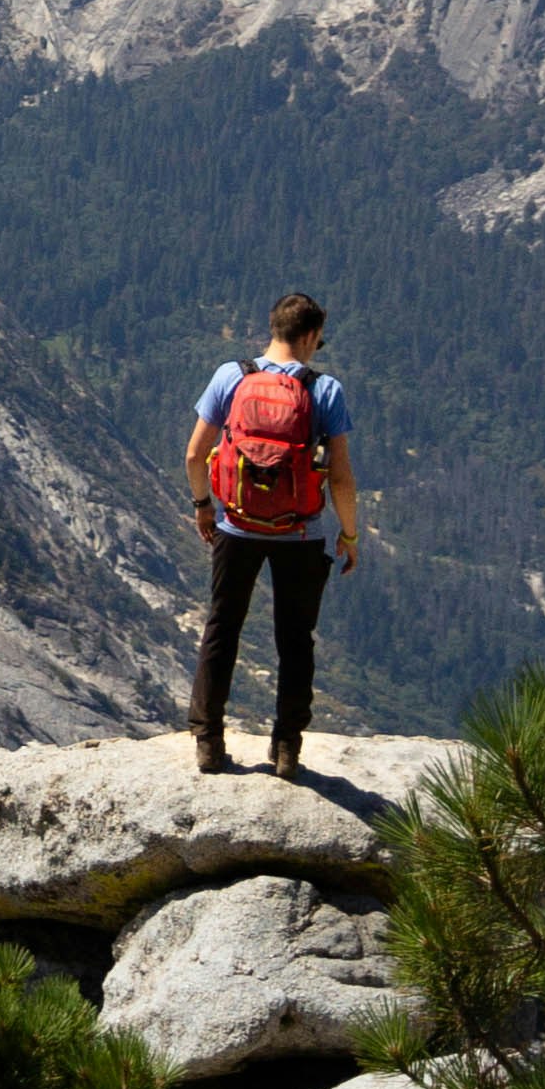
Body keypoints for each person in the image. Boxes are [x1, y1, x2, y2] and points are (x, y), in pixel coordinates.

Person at [184, 289, 357, 776]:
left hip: (235, 525)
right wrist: (350, 534)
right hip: (300, 535)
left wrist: (203, 505)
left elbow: (195, 455)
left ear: (273, 329)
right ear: (309, 337)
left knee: (222, 628)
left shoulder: (231, 376)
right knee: (295, 639)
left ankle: (208, 742)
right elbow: (341, 475)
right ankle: (285, 749)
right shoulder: (325, 391)